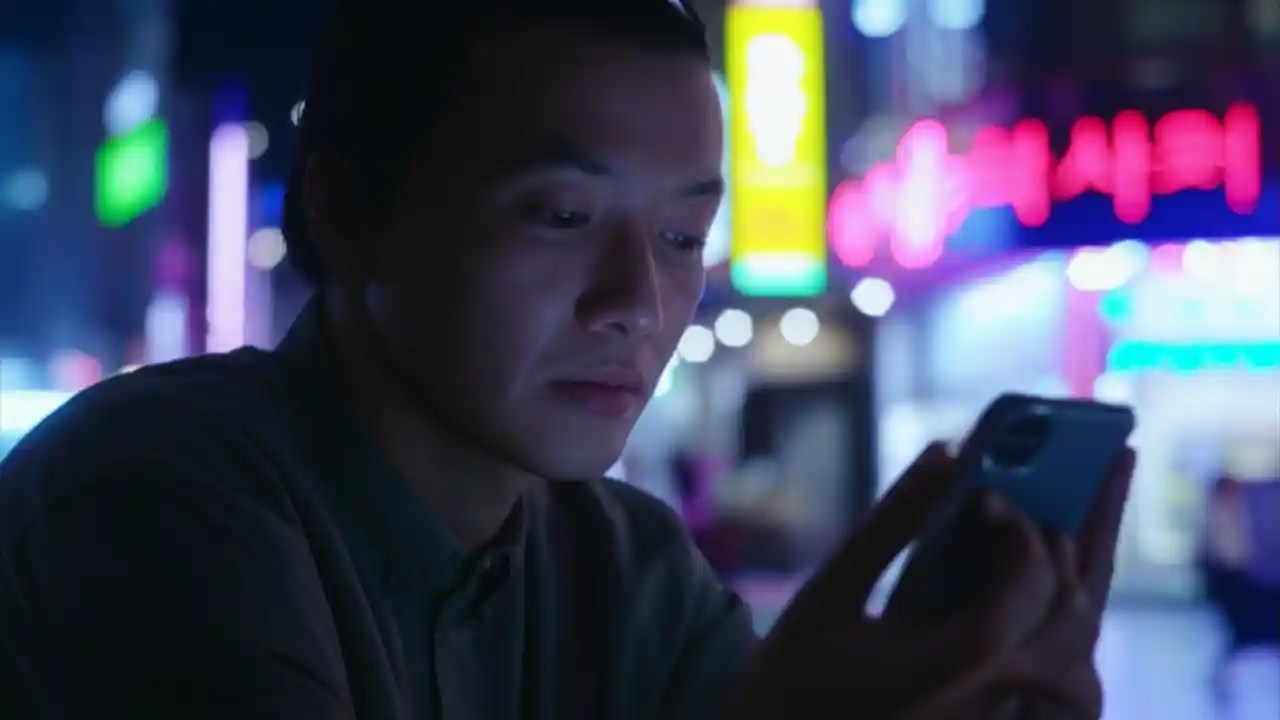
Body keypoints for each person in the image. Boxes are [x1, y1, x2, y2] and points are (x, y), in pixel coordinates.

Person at [0, 1, 1135, 717]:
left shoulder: (621, 561)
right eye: (557, 216)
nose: (637, 302)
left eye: (685, 238)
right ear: (348, 212)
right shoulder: (158, 493)